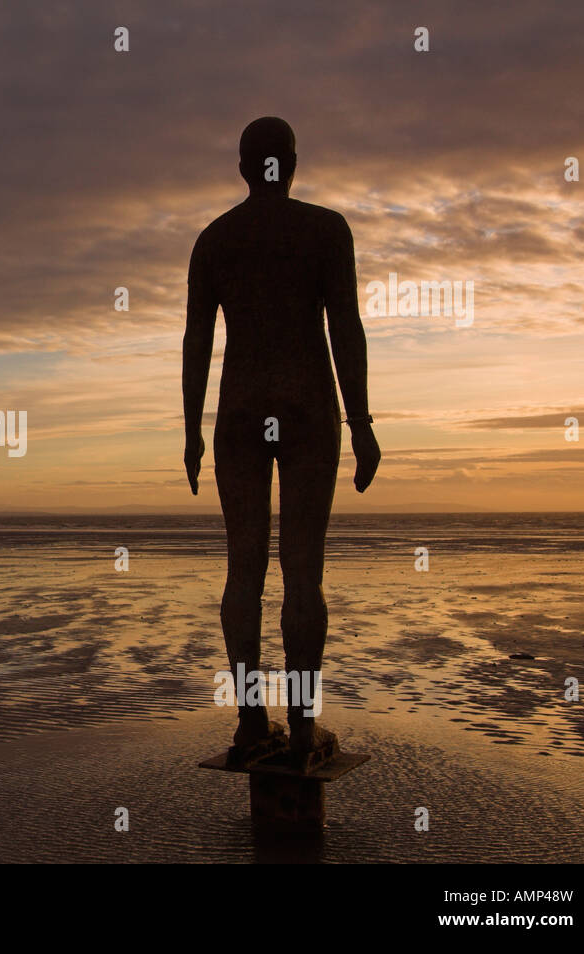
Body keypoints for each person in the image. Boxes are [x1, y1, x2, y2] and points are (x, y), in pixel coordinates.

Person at [183, 117, 381, 768]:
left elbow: (197, 344)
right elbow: (344, 327)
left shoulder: (216, 240)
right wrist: (361, 421)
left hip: (238, 412)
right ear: (290, 164)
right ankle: (299, 725)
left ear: (244, 167)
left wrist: (191, 431)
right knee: (302, 571)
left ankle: (249, 721)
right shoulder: (323, 230)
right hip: (305, 408)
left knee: (244, 569)